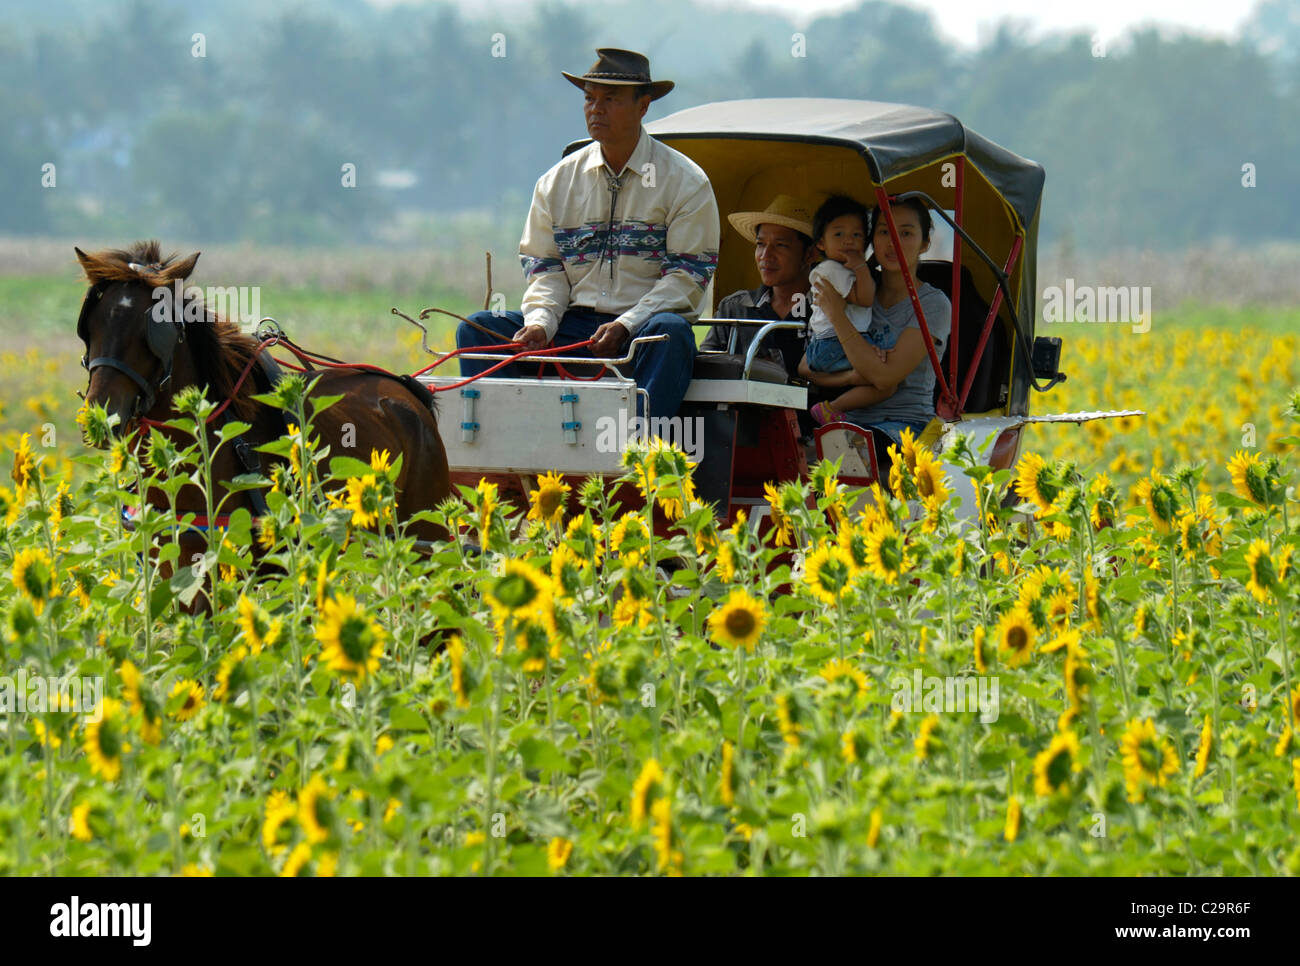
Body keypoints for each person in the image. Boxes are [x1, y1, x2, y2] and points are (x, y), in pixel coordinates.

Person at [455, 48, 719, 420]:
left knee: (672, 334)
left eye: (610, 99)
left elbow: (686, 279)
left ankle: (636, 448)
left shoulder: (686, 182)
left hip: (644, 329)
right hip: (572, 326)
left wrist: (626, 324)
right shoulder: (556, 182)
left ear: (643, 106)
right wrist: (541, 323)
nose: (596, 109)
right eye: (589, 98)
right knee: (480, 330)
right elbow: (546, 271)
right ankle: (511, 437)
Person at [802, 196, 951, 450]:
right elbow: (806, 367)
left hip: (906, 426)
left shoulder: (933, 304)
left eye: (905, 233)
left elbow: (884, 379)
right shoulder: (853, 288)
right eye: (884, 232)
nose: (893, 243)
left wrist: (838, 316)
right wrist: (851, 377)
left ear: (924, 243)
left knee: (846, 449)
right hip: (849, 420)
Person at [699, 194, 818, 378]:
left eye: (780, 245)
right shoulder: (734, 308)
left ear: (810, 254)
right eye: (760, 244)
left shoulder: (827, 310)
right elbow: (706, 369)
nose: (766, 255)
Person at [798, 194, 877, 423]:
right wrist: (863, 267)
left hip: (839, 341)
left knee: (881, 372)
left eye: (857, 235)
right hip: (833, 343)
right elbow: (865, 299)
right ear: (821, 243)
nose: (848, 241)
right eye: (839, 234)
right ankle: (830, 410)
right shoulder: (832, 270)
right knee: (879, 378)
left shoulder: (845, 270)